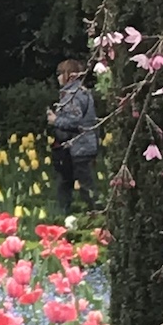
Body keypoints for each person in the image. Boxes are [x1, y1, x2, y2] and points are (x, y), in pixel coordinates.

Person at [49, 58, 100, 217]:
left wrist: (55, 120)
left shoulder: (73, 95)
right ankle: (71, 214)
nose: (57, 77)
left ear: (69, 75)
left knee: (83, 186)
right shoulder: (83, 92)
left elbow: (74, 120)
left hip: (79, 147)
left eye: (59, 73)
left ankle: (96, 216)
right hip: (85, 145)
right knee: (73, 182)